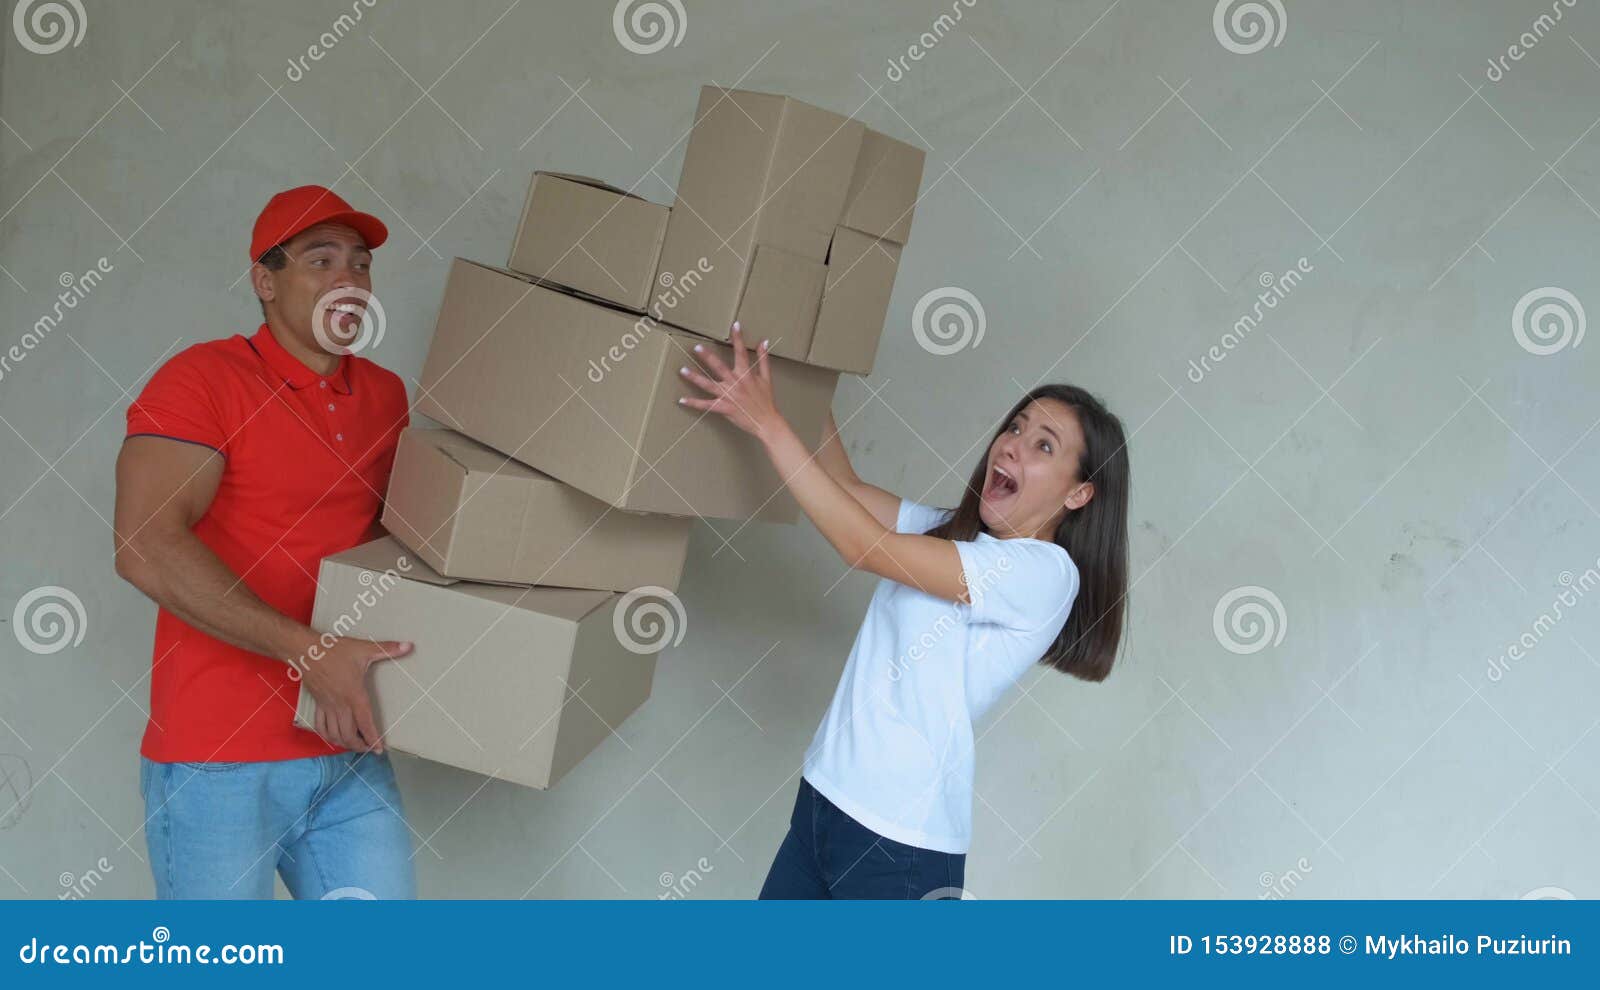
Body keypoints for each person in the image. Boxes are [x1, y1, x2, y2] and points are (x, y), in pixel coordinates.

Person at [680, 324, 1131, 899]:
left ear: (1079, 494)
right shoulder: (951, 535)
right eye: (1015, 427)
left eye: (1044, 445)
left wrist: (769, 424)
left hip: (899, 849)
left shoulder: (1044, 574)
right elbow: (842, 485)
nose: (1013, 443)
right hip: (824, 802)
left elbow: (863, 546)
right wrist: (795, 363)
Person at [112, 185, 417, 899]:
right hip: (217, 760)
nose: (348, 278)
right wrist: (308, 651)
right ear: (265, 280)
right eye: (321, 259)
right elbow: (143, 545)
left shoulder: (384, 395)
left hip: (346, 746)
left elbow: (393, 545)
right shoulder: (203, 381)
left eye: (361, 263)